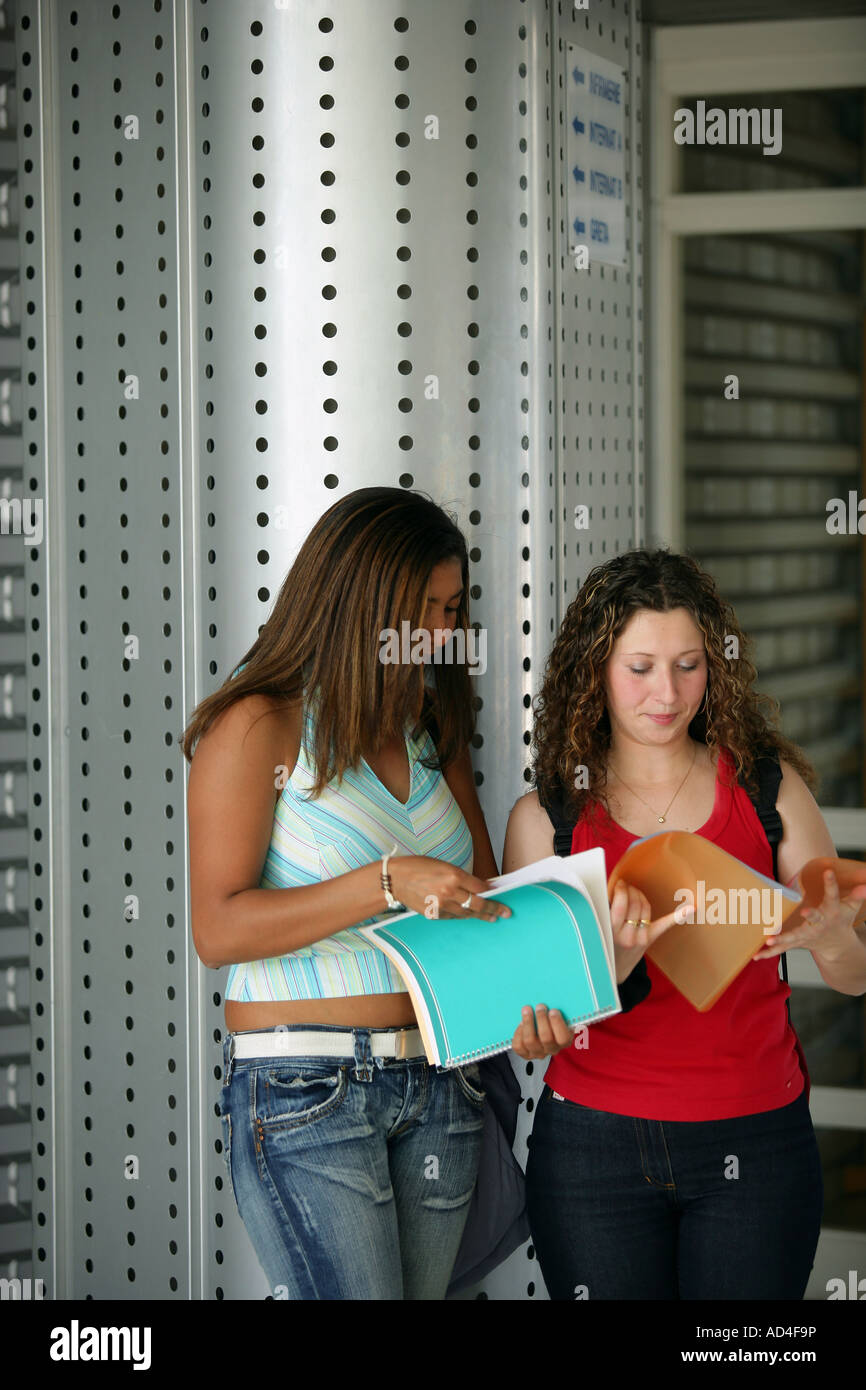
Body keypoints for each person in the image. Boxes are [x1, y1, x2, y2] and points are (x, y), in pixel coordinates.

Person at [182, 486, 571, 1300]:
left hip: (442, 1085)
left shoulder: (433, 730)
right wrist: (385, 883)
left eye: (452, 607)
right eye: (421, 608)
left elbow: (483, 908)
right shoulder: (261, 724)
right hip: (306, 1088)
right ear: (357, 599)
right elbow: (218, 929)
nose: (442, 632)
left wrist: (546, 992)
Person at [503, 548, 866, 1301]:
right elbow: (535, 1021)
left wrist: (831, 936)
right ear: (595, 670)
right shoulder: (548, 818)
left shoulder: (769, 790)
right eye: (639, 668)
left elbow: (852, 974)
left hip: (758, 1143)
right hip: (592, 1153)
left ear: (716, 667)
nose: (666, 694)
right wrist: (613, 968)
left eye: (689, 665)